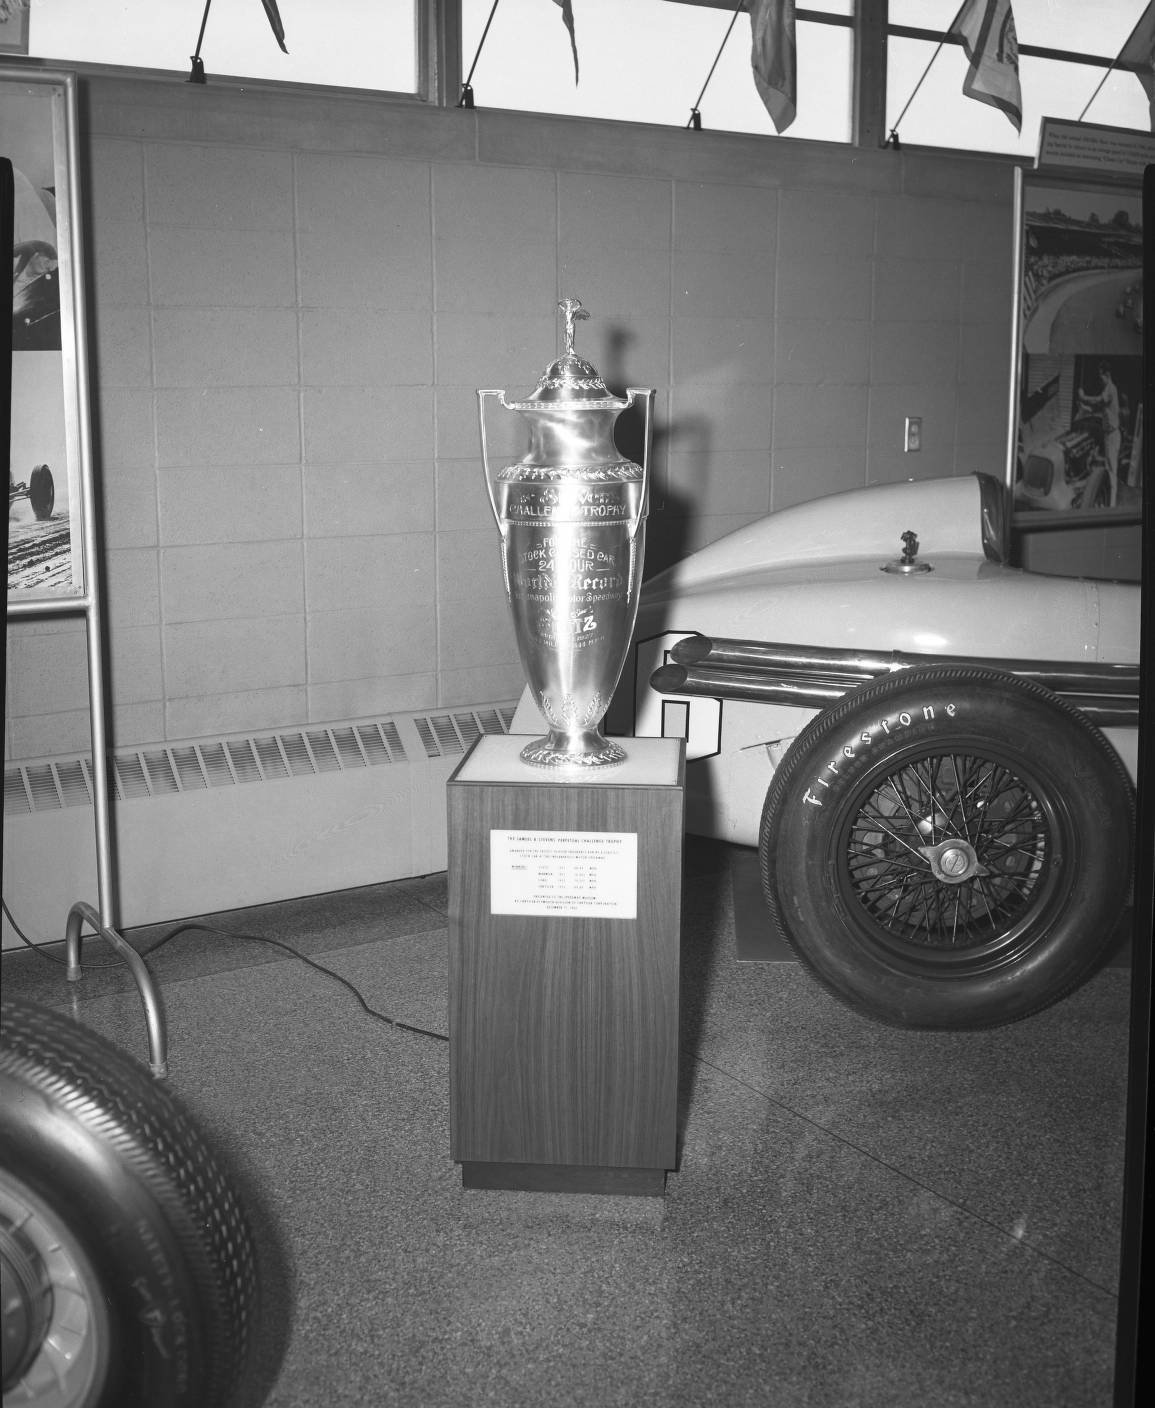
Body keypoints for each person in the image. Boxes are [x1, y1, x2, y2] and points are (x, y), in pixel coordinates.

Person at [1076, 361, 1120, 507]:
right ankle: (1109, 501)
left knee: (1111, 471)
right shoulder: (1108, 389)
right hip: (1110, 435)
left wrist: (1083, 397)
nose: (1099, 380)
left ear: (1107, 375)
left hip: (1112, 435)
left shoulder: (1110, 389)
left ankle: (1111, 506)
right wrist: (1085, 407)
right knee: (1109, 468)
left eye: (1100, 376)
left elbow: (1098, 400)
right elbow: (1100, 408)